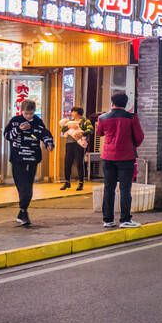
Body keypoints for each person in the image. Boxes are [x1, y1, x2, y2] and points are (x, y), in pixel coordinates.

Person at [95, 92, 145, 228]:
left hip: (107, 157)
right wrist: (131, 144)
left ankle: (108, 219)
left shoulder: (103, 117)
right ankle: (125, 220)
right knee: (125, 189)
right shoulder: (131, 117)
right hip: (126, 157)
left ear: (112, 102)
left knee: (109, 188)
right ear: (126, 103)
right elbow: (139, 137)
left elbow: (99, 133)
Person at [4, 100, 55, 227]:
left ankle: (23, 211)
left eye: (31, 114)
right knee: (22, 186)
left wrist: (49, 143)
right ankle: (23, 211)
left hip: (32, 159)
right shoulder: (15, 120)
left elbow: (45, 134)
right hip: (18, 159)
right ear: (22, 111)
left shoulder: (38, 121)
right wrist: (19, 129)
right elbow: (7, 135)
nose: (28, 116)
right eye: (26, 113)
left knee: (28, 186)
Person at [59, 106, 93, 191]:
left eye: (73, 111)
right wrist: (69, 127)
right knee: (67, 163)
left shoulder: (85, 121)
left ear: (77, 112)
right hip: (69, 143)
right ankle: (67, 182)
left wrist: (83, 133)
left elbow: (91, 129)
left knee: (79, 163)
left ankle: (81, 183)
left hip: (79, 144)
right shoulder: (70, 122)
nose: (71, 113)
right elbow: (63, 129)